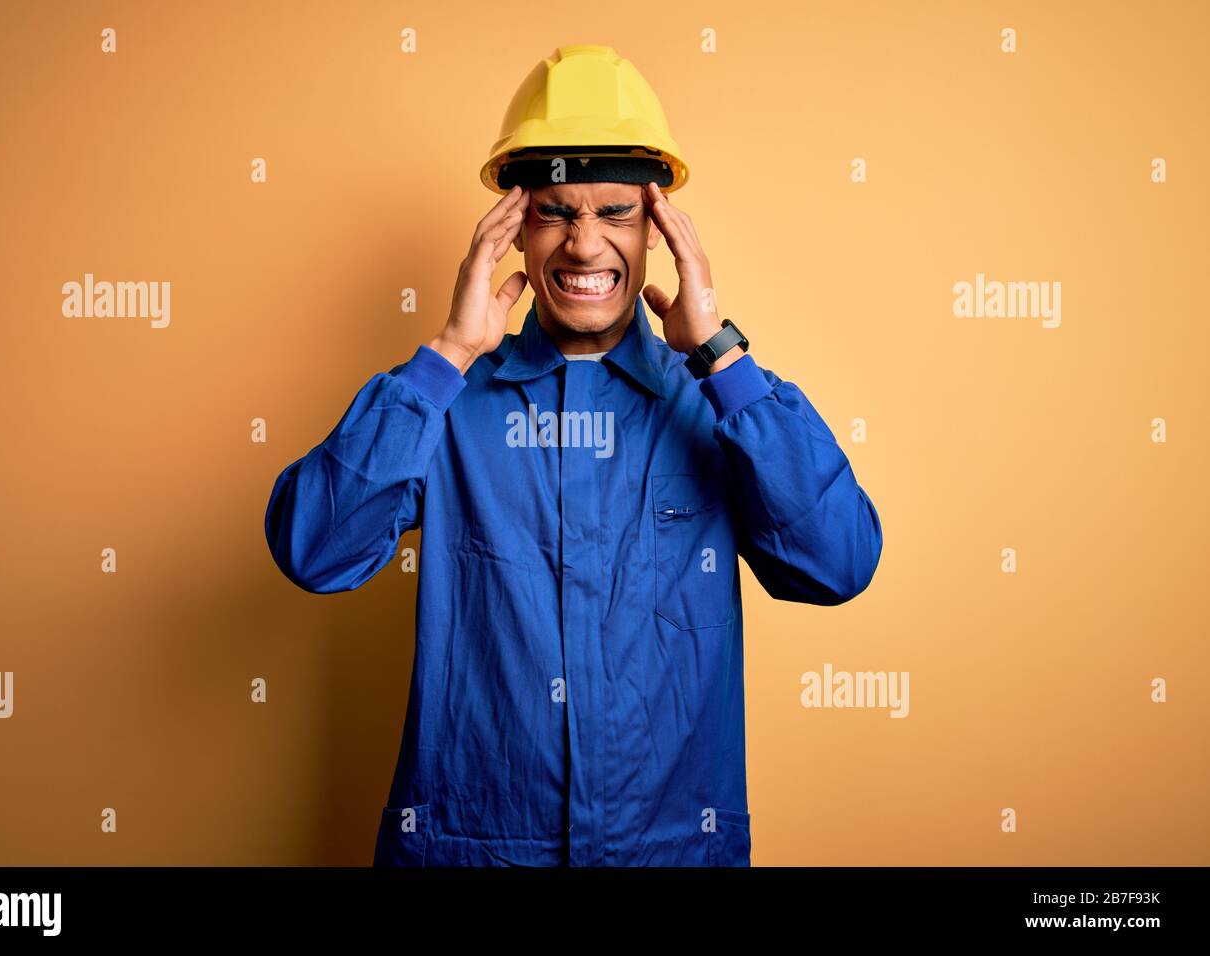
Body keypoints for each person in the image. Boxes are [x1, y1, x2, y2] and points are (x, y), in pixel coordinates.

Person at [264, 45, 883, 866]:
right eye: (556, 211)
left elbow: (837, 562)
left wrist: (725, 361)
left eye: (615, 214)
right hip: (474, 851)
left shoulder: (718, 404)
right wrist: (445, 356)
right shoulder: (447, 406)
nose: (585, 246)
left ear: (659, 229)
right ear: (515, 226)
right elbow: (314, 548)